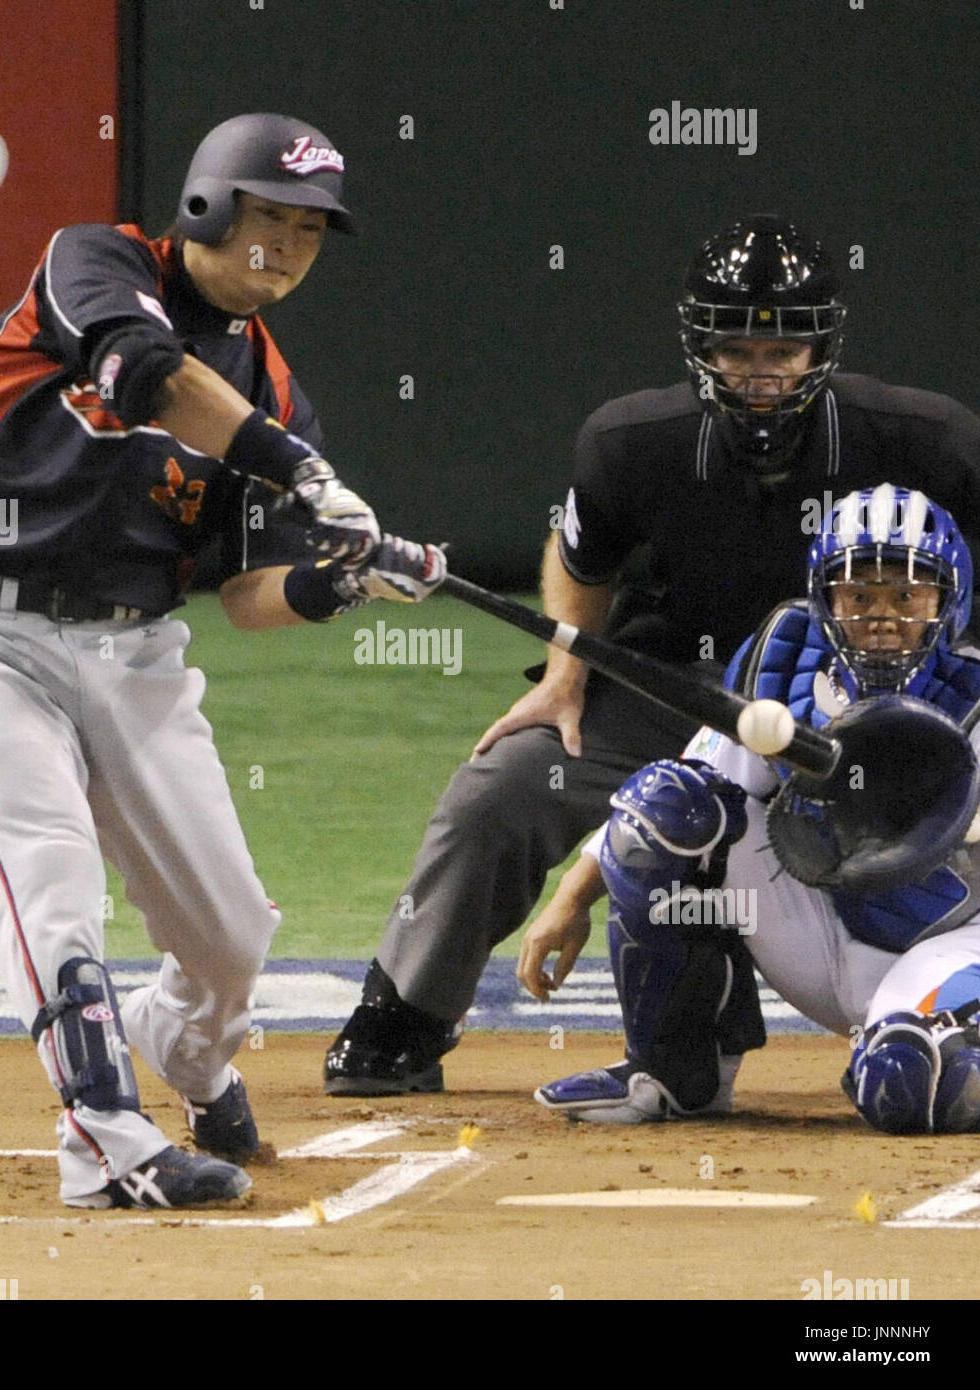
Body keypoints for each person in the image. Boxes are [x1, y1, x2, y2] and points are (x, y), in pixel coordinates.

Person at [0, 112, 446, 1210]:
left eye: (308, 231)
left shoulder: (277, 393)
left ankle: (183, 1051)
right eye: (266, 219)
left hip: (136, 651)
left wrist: (345, 580)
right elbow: (147, 374)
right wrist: (304, 472)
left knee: (231, 935)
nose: (283, 248)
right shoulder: (92, 261)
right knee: (50, 887)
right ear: (205, 207)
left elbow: (246, 597)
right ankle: (100, 1139)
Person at [323, 213, 980, 1097]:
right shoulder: (630, 443)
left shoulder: (926, 440)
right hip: (666, 685)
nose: (761, 374)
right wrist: (565, 677)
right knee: (506, 785)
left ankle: (918, 1002)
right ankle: (406, 1011)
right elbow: (578, 557)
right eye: (738, 351)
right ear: (699, 349)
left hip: (875, 698)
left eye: (783, 352)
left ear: (822, 349)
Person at [532, 485, 980, 1134]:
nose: (882, 615)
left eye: (906, 595)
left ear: (947, 599)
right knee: (666, 810)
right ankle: (676, 1071)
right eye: (859, 595)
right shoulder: (785, 664)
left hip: (945, 942)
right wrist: (570, 900)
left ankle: (916, 1041)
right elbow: (689, 783)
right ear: (826, 599)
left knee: (908, 1090)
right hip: (810, 923)